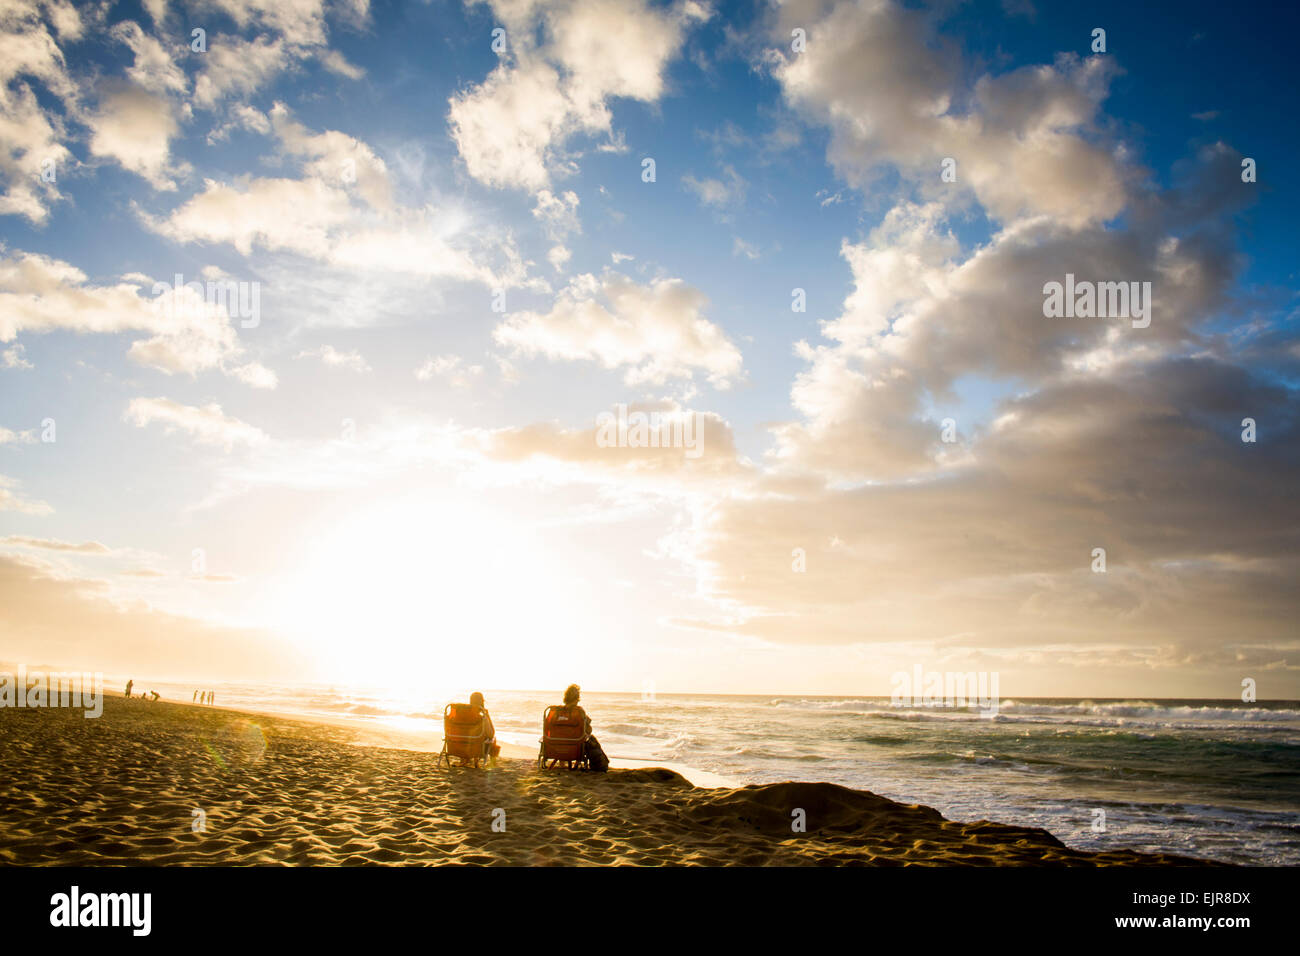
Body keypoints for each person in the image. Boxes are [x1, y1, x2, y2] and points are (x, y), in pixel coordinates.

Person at [558, 684, 608, 772]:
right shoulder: (579, 711)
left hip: (558, 744)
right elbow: (588, 730)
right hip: (575, 745)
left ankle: (562, 764)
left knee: (568, 735)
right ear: (577, 698)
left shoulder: (556, 711)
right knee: (589, 739)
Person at [469, 692, 501, 761]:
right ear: (482, 702)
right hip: (477, 747)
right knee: (493, 739)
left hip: (462, 745)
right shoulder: (482, 718)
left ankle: (464, 759)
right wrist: (487, 716)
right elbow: (491, 734)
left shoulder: (462, 716)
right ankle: (493, 763)